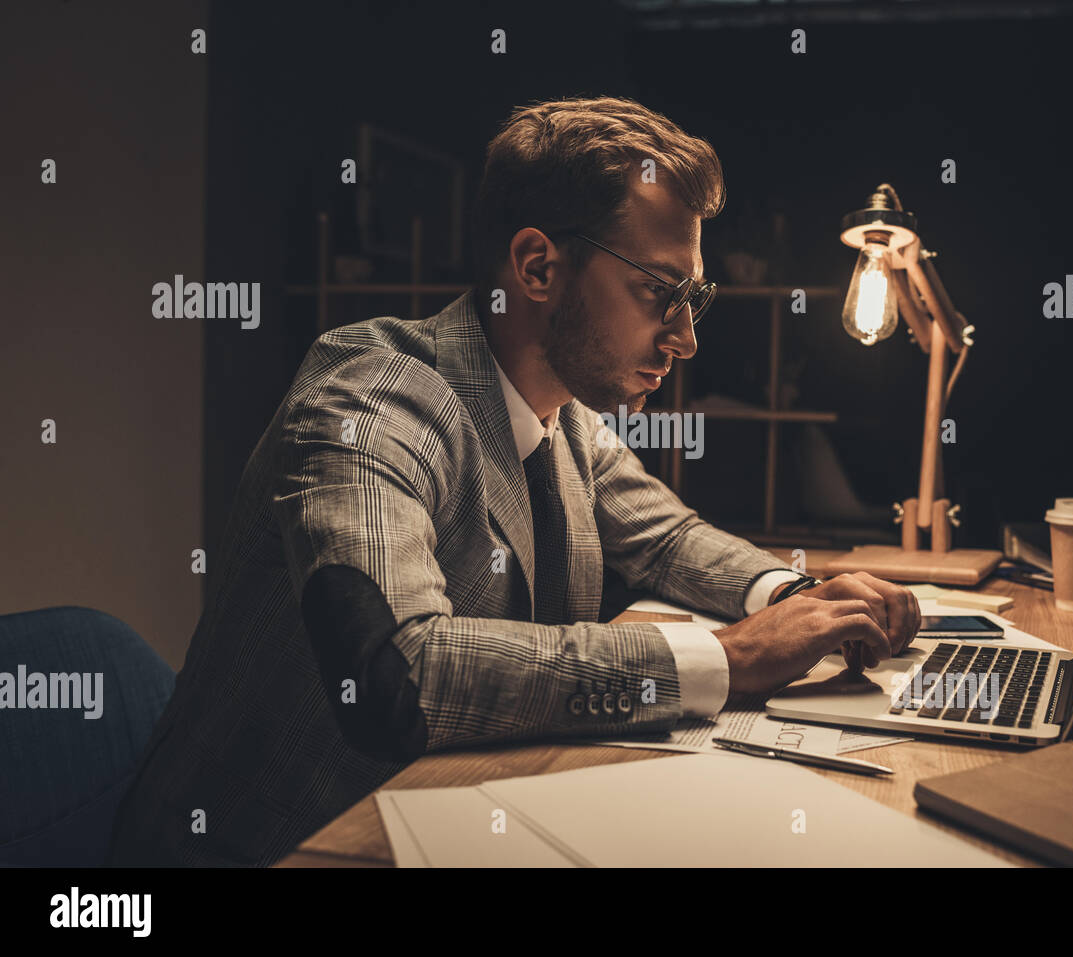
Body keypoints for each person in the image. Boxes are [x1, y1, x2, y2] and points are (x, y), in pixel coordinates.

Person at [108, 95, 918, 867]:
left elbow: (668, 536)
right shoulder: (371, 397)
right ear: (537, 266)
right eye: (660, 293)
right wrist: (725, 658)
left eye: (692, 296)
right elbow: (399, 669)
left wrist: (791, 599)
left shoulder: (564, 418)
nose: (686, 337)